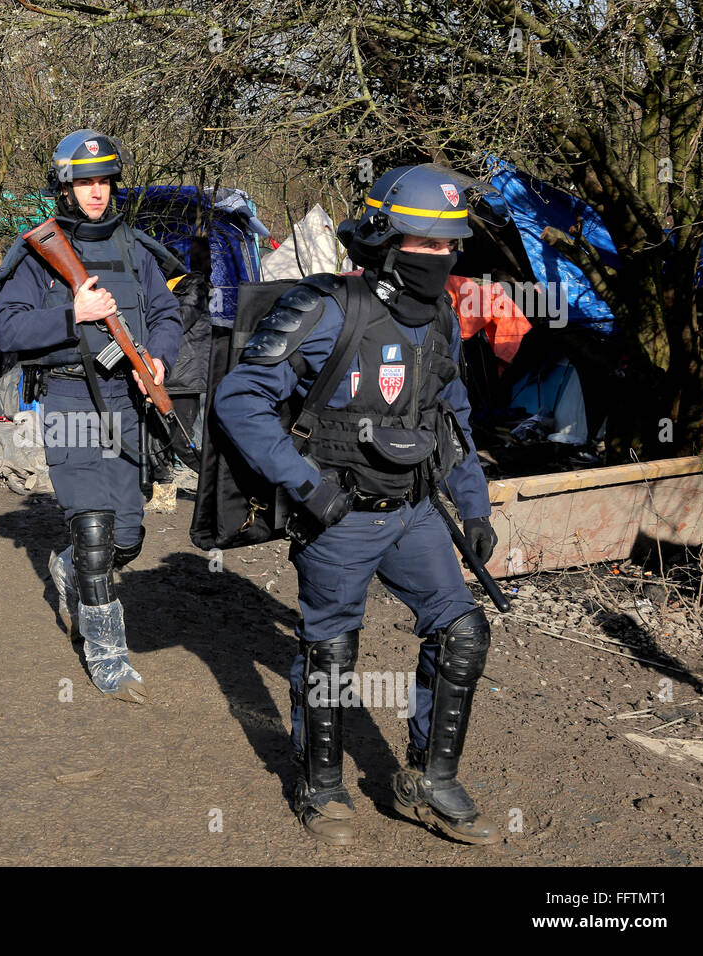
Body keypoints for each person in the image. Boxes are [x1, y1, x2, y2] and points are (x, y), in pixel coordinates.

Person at [213, 163, 502, 846]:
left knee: (464, 631)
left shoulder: (441, 320)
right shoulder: (322, 307)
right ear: (382, 236)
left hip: (414, 510)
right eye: (425, 243)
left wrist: (475, 505)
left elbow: (451, 417)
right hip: (338, 515)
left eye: (450, 245)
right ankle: (320, 787)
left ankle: (427, 780)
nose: (441, 258)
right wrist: (307, 487)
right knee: (331, 650)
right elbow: (239, 399)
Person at [0, 130, 182, 702]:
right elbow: (6, 329)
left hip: (127, 398)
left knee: (127, 536)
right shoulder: (36, 254)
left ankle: (69, 567)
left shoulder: (134, 248)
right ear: (65, 188)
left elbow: (169, 312)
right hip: (69, 399)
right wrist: (72, 314)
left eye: (103, 181)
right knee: (95, 528)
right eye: (84, 182)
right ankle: (109, 659)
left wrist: (161, 358)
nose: (95, 192)